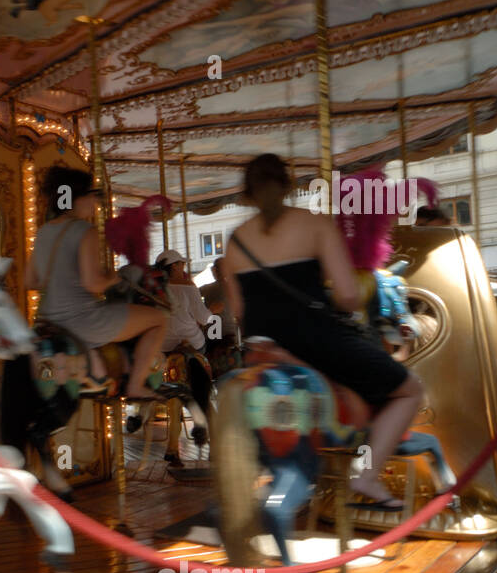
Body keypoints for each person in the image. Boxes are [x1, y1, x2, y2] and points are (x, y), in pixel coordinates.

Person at [220, 154, 424, 511]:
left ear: (248, 193)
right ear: (288, 185)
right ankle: (366, 475)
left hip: (261, 347)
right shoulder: (314, 223)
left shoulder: (235, 240)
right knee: (408, 390)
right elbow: (347, 296)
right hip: (313, 338)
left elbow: (238, 312)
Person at [23, 166, 168, 399]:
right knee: (159, 319)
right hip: (82, 321)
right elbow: (93, 285)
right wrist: (113, 277)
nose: (95, 202)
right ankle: (136, 385)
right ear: (76, 197)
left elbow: (30, 280)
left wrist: (62, 279)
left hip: (48, 321)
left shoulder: (43, 232)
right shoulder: (85, 230)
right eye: (93, 194)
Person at [156, 249, 214, 465]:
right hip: (193, 343)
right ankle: (214, 443)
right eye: (180, 264)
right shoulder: (189, 287)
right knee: (205, 392)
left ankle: (172, 449)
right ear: (173, 267)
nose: (183, 268)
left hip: (166, 347)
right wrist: (213, 310)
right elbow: (203, 317)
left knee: (173, 397)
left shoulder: (157, 289)